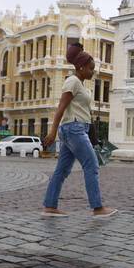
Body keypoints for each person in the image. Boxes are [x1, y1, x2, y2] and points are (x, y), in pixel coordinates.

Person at [42, 49, 116, 217]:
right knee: (91, 165)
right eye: (91, 68)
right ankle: (97, 208)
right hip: (74, 128)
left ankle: (49, 206)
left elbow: (85, 112)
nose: (93, 71)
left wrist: (93, 136)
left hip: (76, 128)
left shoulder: (80, 85)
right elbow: (61, 107)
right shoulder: (72, 81)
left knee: (62, 170)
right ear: (81, 67)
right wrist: (52, 131)